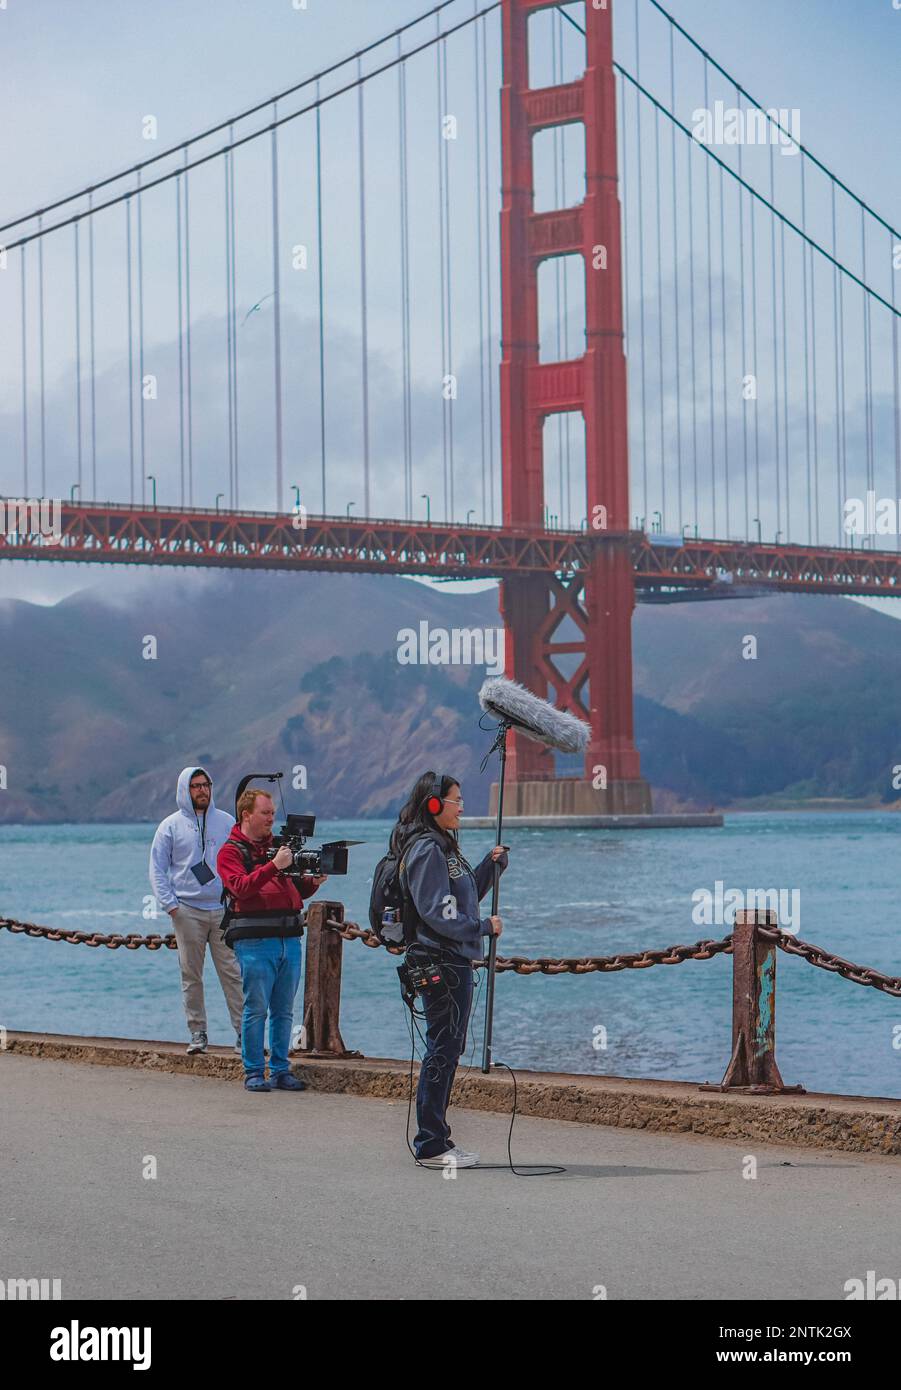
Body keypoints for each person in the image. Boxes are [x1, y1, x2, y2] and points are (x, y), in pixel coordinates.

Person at [391, 771, 507, 1168]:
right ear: (434, 804)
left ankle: (436, 1138)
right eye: (456, 800)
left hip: (452, 959)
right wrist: (482, 928)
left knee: (447, 1046)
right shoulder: (427, 849)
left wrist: (490, 868)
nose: (461, 807)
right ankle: (431, 1144)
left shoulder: (444, 847)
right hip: (440, 960)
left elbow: (460, 899)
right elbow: (437, 912)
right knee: (443, 1048)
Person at [217, 788, 327, 1093]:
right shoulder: (230, 852)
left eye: (273, 813)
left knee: (284, 1010)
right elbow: (240, 888)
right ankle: (253, 1071)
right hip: (254, 941)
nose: (271, 819)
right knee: (256, 1008)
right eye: (265, 813)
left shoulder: (280, 848)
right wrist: (274, 866)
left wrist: (313, 882)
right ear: (246, 814)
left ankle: (280, 1070)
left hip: (288, 938)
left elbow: (296, 891)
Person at [149, 766, 244, 1056]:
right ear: (184, 790)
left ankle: (244, 1033)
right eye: (196, 786)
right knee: (191, 975)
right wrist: (170, 905)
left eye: (206, 785)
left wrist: (237, 897)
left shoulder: (227, 822)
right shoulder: (170, 826)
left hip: (223, 909)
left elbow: (240, 859)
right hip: (187, 911)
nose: (202, 790)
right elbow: (157, 868)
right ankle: (197, 1033)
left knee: (233, 973)